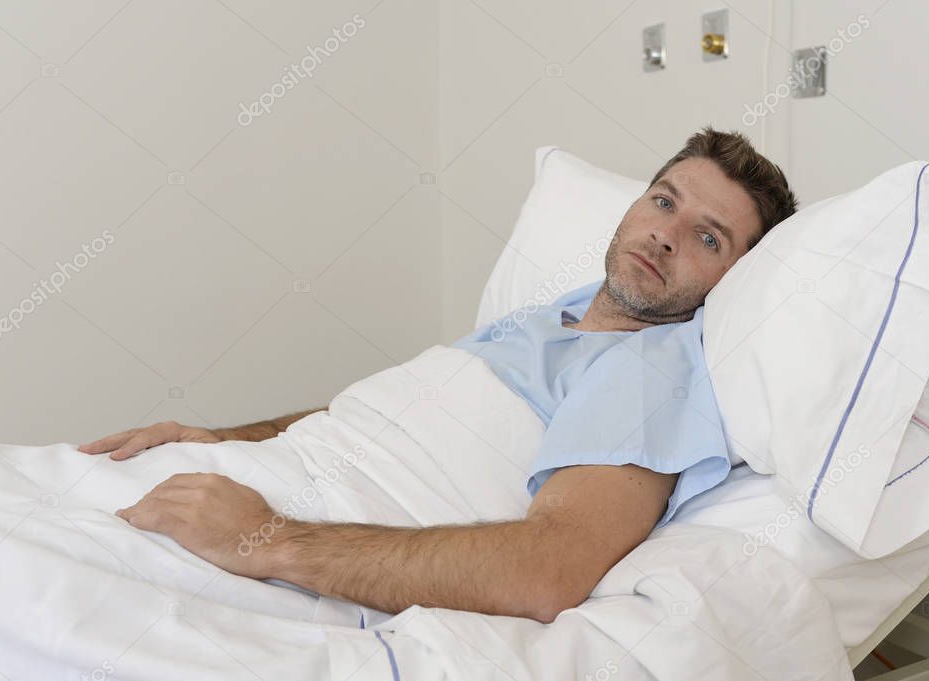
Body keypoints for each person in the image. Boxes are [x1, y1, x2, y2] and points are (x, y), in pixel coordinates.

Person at [77, 127, 798, 624]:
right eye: (664, 200)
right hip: (251, 479)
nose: (664, 234)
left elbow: (550, 568)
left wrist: (268, 540)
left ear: (732, 281)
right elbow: (383, 417)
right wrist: (222, 437)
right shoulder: (554, 315)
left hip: (289, 548)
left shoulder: (651, 373)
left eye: (707, 237)